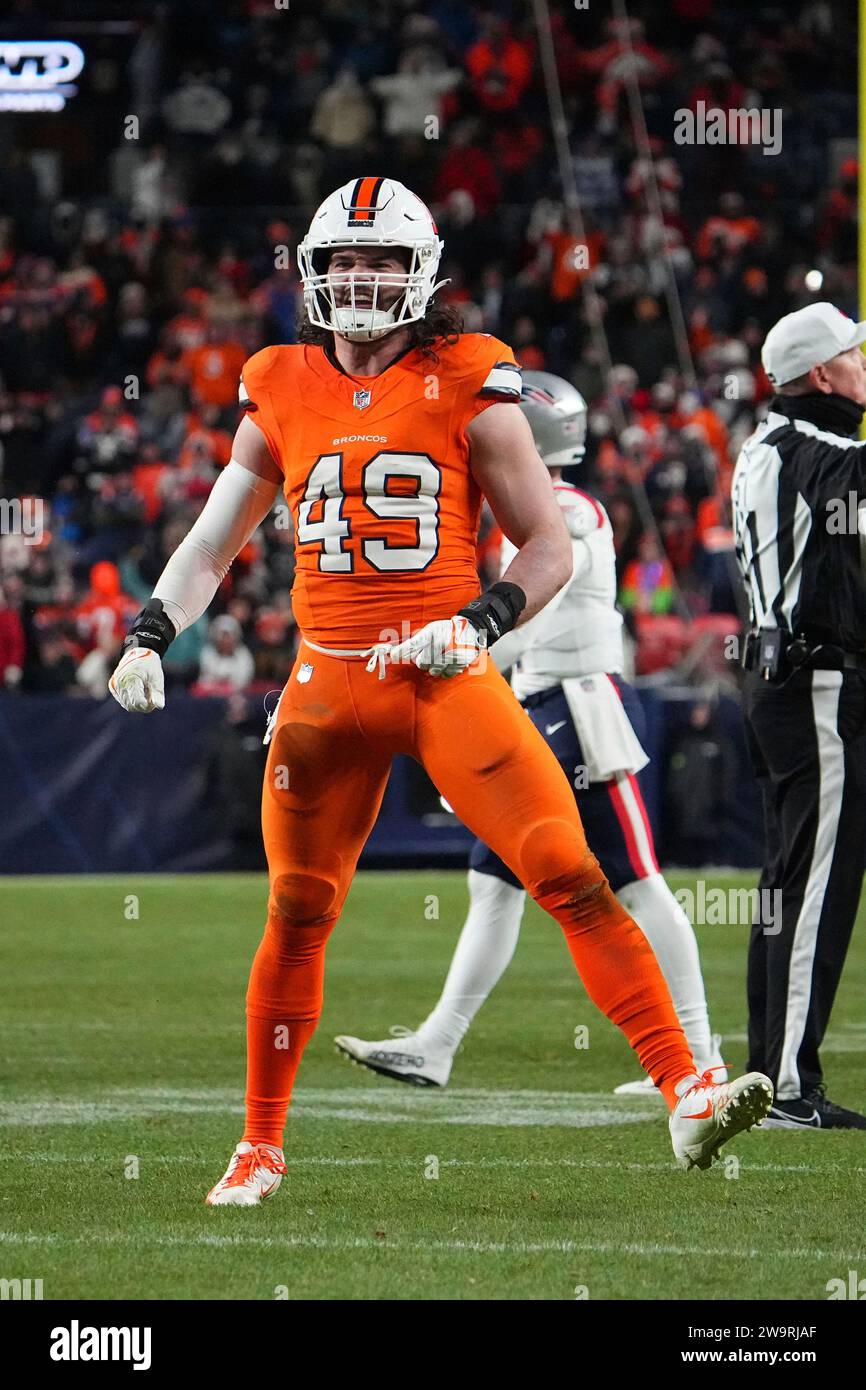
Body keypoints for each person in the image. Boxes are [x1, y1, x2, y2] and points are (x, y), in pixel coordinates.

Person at [109, 177, 771, 1205]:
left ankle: (685, 1089)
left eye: (380, 260)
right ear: (313, 272)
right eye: (343, 260)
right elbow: (210, 542)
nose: (361, 278)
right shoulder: (275, 379)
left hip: (444, 668)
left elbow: (545, 543)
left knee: (567, 868)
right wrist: (151, 629)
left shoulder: (470, 372)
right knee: (295, 908)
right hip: (328, 679)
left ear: (420, 273)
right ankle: (259, 1144)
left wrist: (477, 621)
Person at [335, 371, 725, 1094]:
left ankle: (703, 1057)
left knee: (637, 884)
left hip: (581, 711)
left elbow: (525, 609)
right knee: (493, 885)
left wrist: (444, 658)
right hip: (544, 709)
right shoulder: (549, 509)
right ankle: (437, 1044)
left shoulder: (566, 509)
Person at [732, 301, 866, 1129]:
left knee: (790, 881)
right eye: (854, 355)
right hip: (815, 679)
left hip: (784, 676)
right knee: (815, 883)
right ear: (822, 374)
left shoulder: (773, 443)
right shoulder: (819, 452)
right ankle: (783, 1083)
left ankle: (772, 1070)